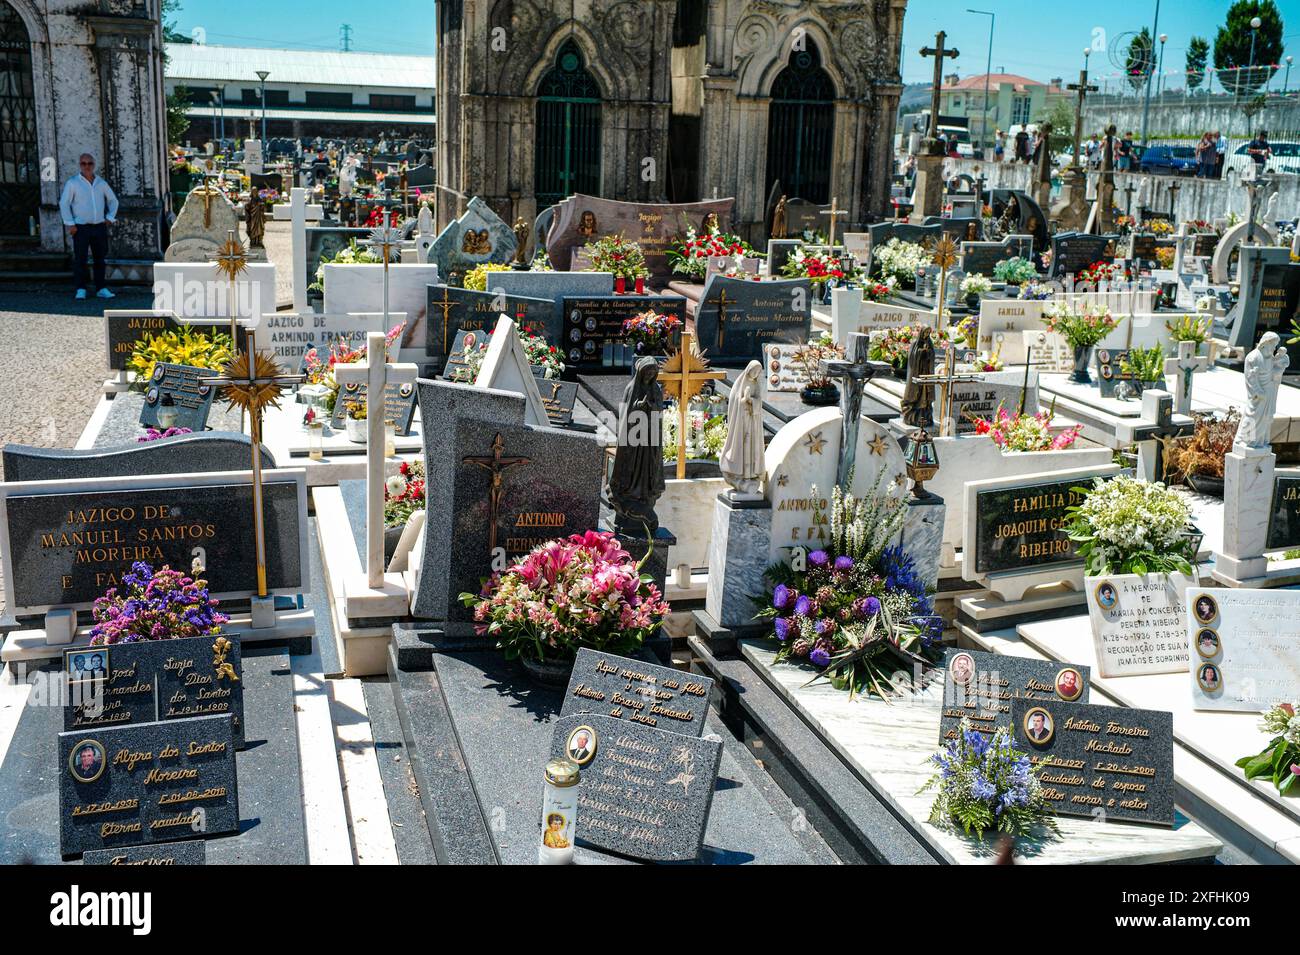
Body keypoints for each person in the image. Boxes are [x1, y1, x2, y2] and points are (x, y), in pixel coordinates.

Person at [58, 153, 117, 301]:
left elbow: (113, 200)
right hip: (81, 228)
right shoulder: (73, 183)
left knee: (100, 259)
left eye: (90, 163)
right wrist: (70, 224)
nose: (87, 166)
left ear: (94, 165)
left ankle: (101, 288)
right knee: (80, 259)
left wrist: (109, 218)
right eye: (83, 163)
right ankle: (81, 289)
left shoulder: (101, 183)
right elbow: (64, 203)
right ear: (80, 165)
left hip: (99, 227)